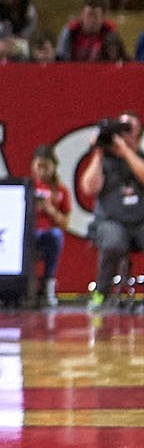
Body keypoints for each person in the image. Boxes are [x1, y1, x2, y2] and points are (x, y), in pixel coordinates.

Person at [78, 113, 144, 311]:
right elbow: (88, 188)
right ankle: (101, 294)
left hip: (140, 223)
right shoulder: (104, 161)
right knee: (113, 240)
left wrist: (126, 151)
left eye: (128, 130)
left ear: (138, 134)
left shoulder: (139, 159)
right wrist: (98, 153)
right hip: (111, 221)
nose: (123, 135)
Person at [29, 145, 70, 308]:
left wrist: (50, 210)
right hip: (29, 234)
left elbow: (65, 223)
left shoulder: (60, 191)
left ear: (54, 166)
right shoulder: (28, 187)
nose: (42, 171)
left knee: (56, 235)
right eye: (39, 166)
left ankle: (48, 283)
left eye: (46, 167)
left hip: (47, 236)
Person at [57, 0, 124, 62]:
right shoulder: (69, 31)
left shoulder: (110, 31)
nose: (92, 20)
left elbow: (116, 59)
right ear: (82, 15)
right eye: (89, 15)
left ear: (103, 17)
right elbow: (61, 60)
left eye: (96, 16)